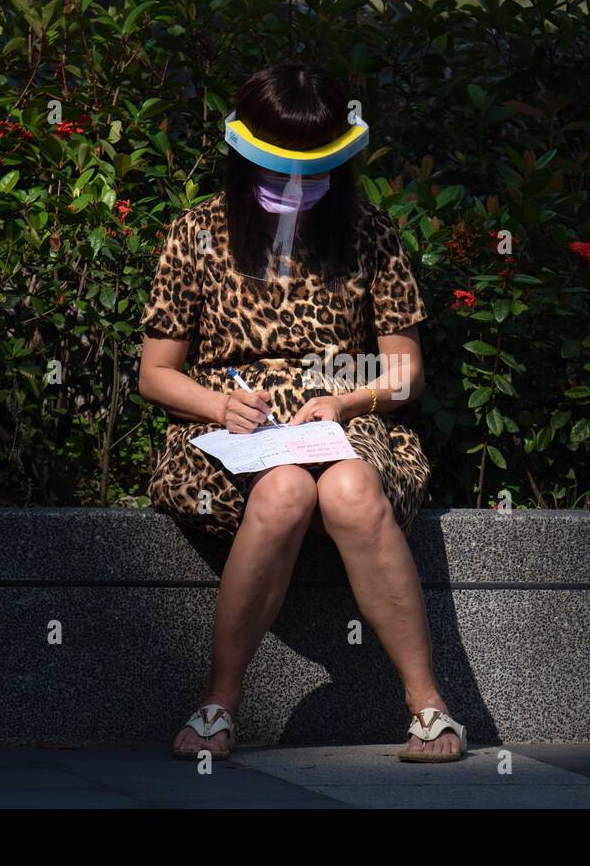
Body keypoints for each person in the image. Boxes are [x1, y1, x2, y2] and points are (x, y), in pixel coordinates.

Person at [137, 62, 467, 763]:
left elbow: (405, 374)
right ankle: (219, 702)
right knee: (285, 490)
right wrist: (222, 405)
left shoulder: (371, 232)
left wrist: (346, 399)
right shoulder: (197, 231)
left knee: (349, 488)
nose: (293, 190)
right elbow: (156, 373)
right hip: (225, 428)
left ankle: (429, 705)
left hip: (344, 418)